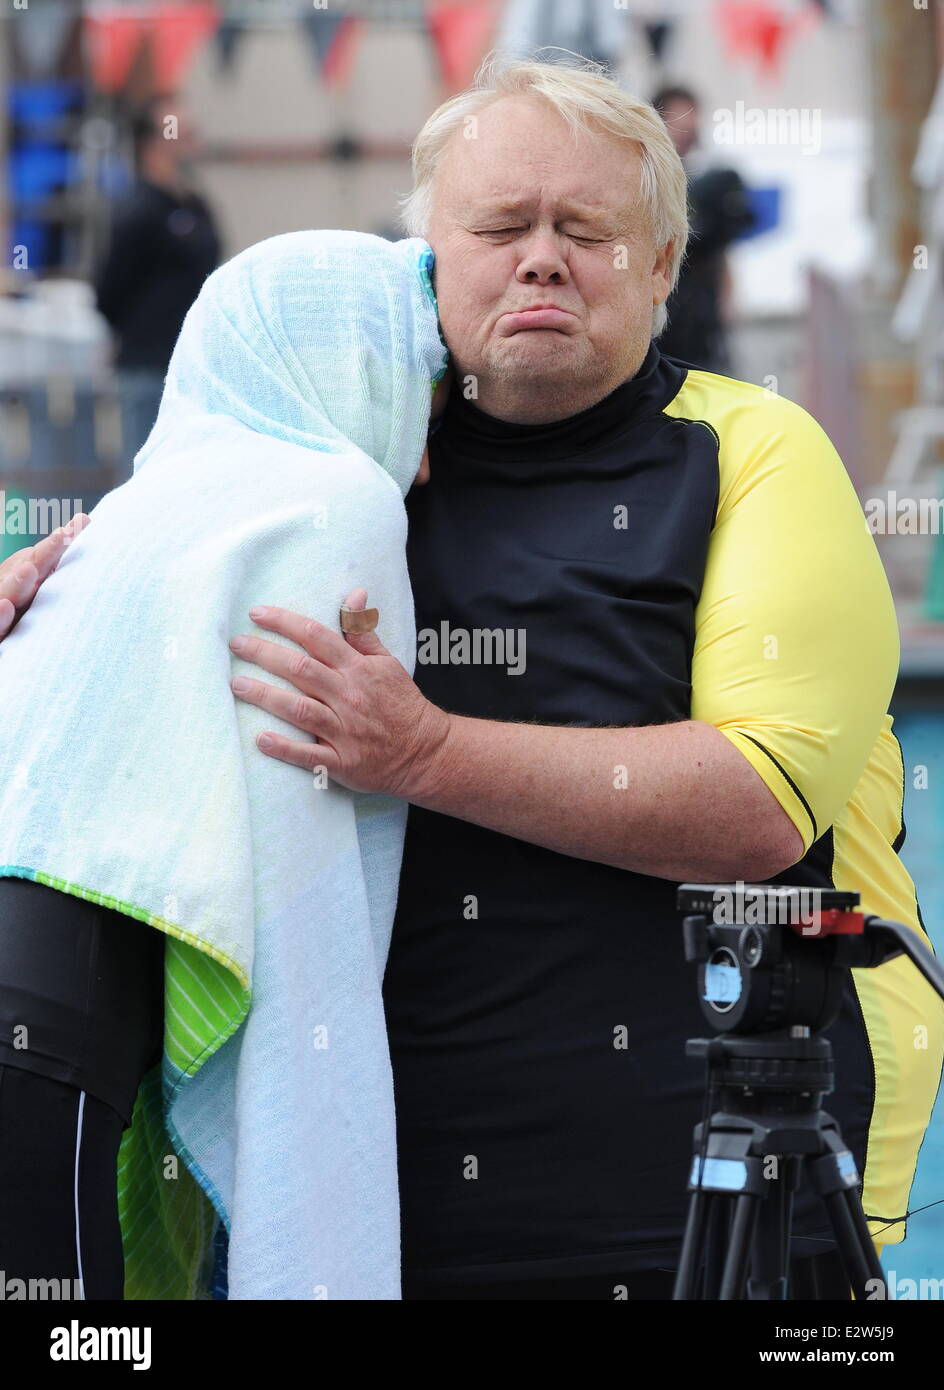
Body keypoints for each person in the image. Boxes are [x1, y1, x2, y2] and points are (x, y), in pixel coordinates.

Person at [5, 57, 943, 1303]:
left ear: (662, 266)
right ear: (429, 260)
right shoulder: (341, 476)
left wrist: (425, 754)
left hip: (709, 1203)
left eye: (587, 231)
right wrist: (59, 604)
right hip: (393, 1218)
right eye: (500, 227)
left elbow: (758, 805)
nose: (540, 259)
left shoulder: (750, 456)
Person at [0, 229, 449, 1300]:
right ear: (344, 364)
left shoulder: (136, 510)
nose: (426, 456)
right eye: (421, 394)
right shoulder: (333, 497)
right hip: (44, 1038)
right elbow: (305, 858)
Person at [93, 92, 221, 474]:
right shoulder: (139, 209)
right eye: (180, 133)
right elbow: (109, 290)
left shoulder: (192, 205)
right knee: (147, 469)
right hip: (149, 365)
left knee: (192, 470)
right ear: (154, 142)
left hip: (195, 363)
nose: (191, 143)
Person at [652, 84, 756, 374]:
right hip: (661, 311)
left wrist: (727, 300)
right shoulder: (643, 182)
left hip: (701, 312)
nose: (688, 128)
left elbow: (721, 253)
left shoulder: (707, 182)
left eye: (692, 117)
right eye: (679, 119)